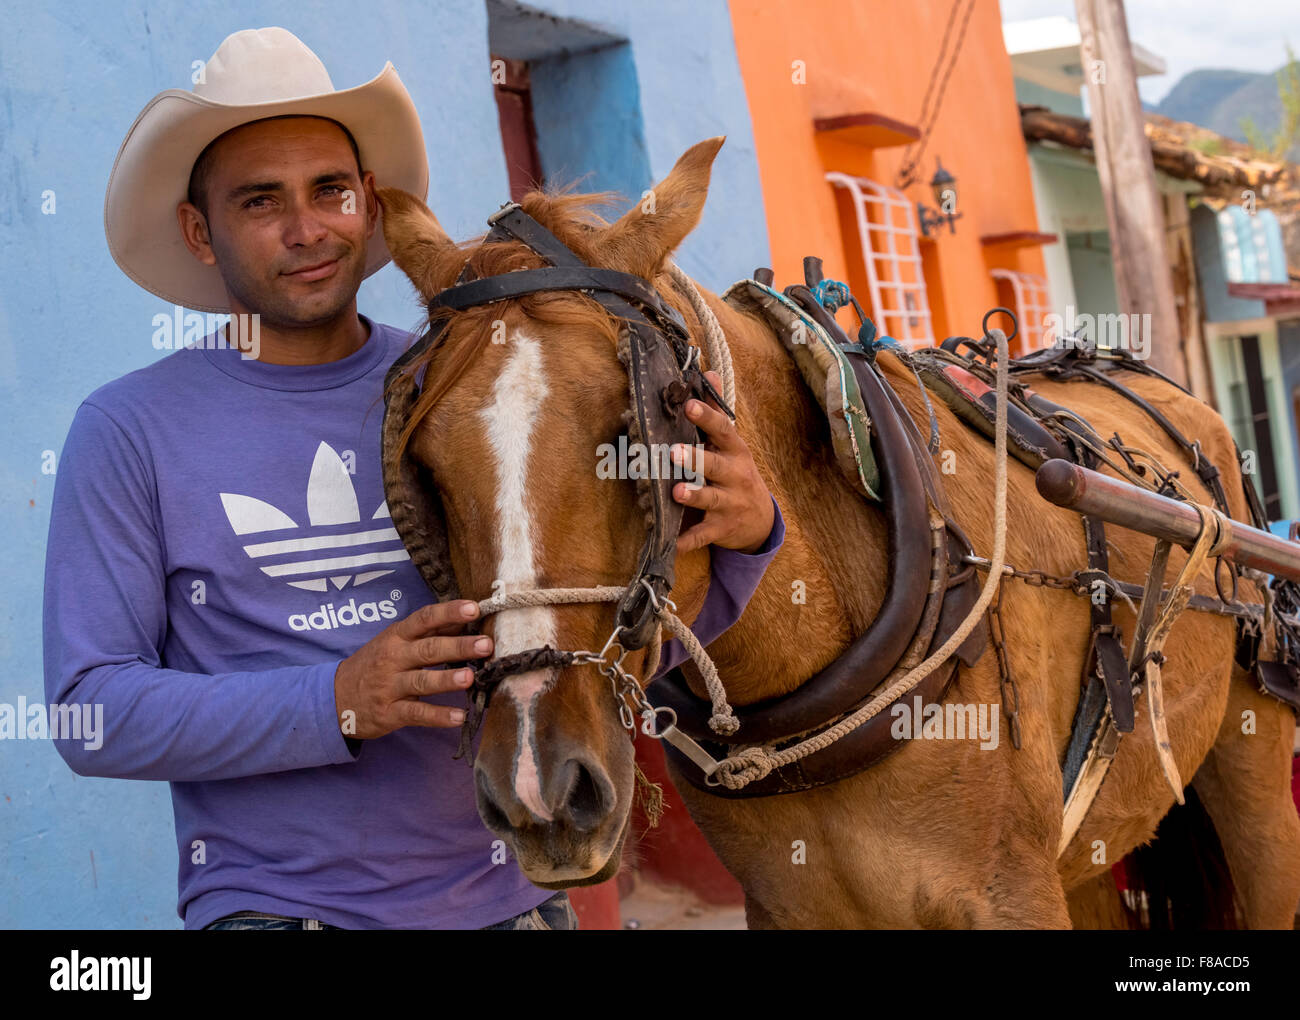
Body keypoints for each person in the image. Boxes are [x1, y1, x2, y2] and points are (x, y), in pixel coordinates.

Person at [42, 27, 784, 930]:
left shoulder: (472, 391)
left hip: (517, 905)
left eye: (331, 191)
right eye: (260, 201)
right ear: (200, 231)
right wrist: (334, 701)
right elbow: (94, 712)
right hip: (280, 913)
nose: (307, 228)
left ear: (370, 207)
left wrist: (746, 543)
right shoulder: (128, 430)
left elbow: (588, 635)